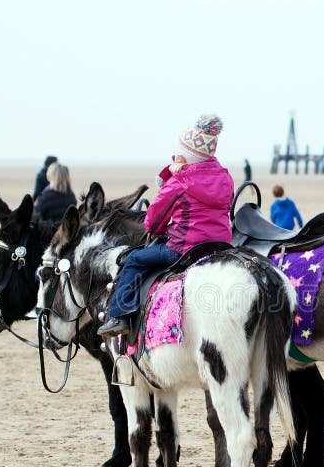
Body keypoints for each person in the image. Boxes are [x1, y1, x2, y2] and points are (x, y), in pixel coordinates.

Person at [98, 114, 234, 337]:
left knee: (134, 261)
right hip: (221, 246)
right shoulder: (225, 178)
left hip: (184, 249)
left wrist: (168, 183)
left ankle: (120, 316)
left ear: (186, 154)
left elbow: (153, 222)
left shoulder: (180, 183)